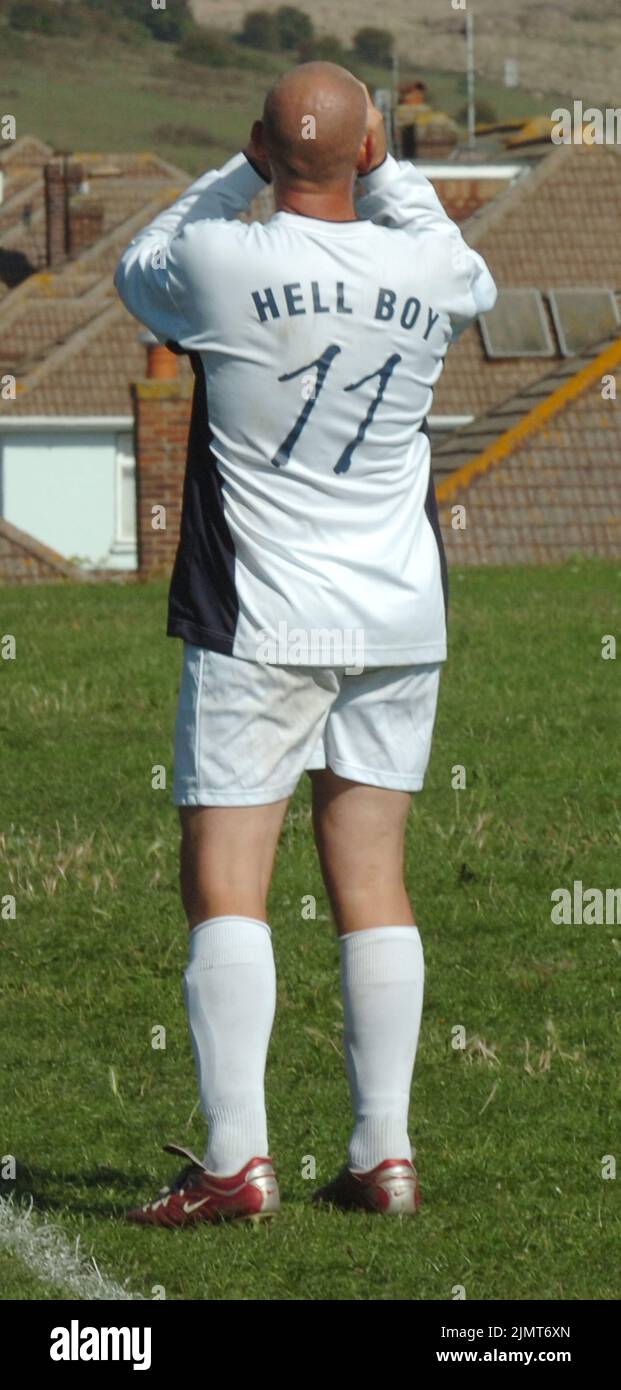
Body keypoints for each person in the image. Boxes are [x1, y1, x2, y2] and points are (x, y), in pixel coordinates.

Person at [114, 62, 496, 1227]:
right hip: (398, 615)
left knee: (229, 878)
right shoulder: (428, 258)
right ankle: (385, 1152)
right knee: (374, 874)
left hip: (262, 617)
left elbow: (144, 261)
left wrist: (254, 166)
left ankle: (238, 1160)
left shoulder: (224, 259)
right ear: (373, 142)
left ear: (262, 146)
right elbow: (463, 266)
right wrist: (372, 165)